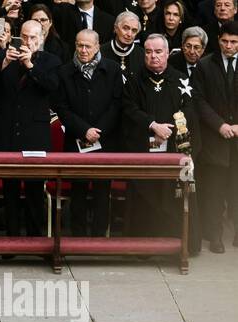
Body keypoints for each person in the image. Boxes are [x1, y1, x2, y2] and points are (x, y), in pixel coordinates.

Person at [0, 19, 60, 237]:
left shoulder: (50, 61)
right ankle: (11, 239)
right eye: (25, 36)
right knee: (9, 190)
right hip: (7, 132)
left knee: (34, 190)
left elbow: (51, 86)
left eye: (33, 37)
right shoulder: (4, 57)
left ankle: (35, 239)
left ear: (42, 38)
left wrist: (30, 65)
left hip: (34, 135)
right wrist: (3, 64)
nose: (28, 41)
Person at [122, 34, 196, 244]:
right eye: (148, 51)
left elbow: (189, 111)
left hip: (173, 151)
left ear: (167, 53)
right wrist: (153, 126)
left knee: (173, 198)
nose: (153, 56)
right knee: (144, 198)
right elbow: (128, 110)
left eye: (158, 51)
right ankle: (141, 246)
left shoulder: (181, 79)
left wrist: (169, 129)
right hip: (144, 151)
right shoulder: (134, 79)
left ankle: (174, 243)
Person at [55, 28, 122, 238]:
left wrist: (98, 130)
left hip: (105, 140)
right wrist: (84, 130)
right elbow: (62, 107)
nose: (83, 50)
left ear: (97, 46)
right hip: (76, 140)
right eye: (79, 45)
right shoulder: (65, 71)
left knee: (103, 190)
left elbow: (117, 103)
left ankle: (100, 237)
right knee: (79, 190)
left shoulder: (111, 69)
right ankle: (78, 237)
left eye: (87, 46)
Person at [193, 19, 238, 253]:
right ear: (218, 41)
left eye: (233, 42)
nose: (228, 46)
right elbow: (199, 101)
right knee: (215, 190)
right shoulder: (205, 65)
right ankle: (215, 236)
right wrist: (220, 125)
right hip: (214, 137)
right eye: (224, 41)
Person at [103, 11, 144, 87]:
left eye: (134, 30)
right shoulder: (101, 52)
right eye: (125, 28)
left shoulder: (143, 55)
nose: (129, 34)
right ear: (115, 28)